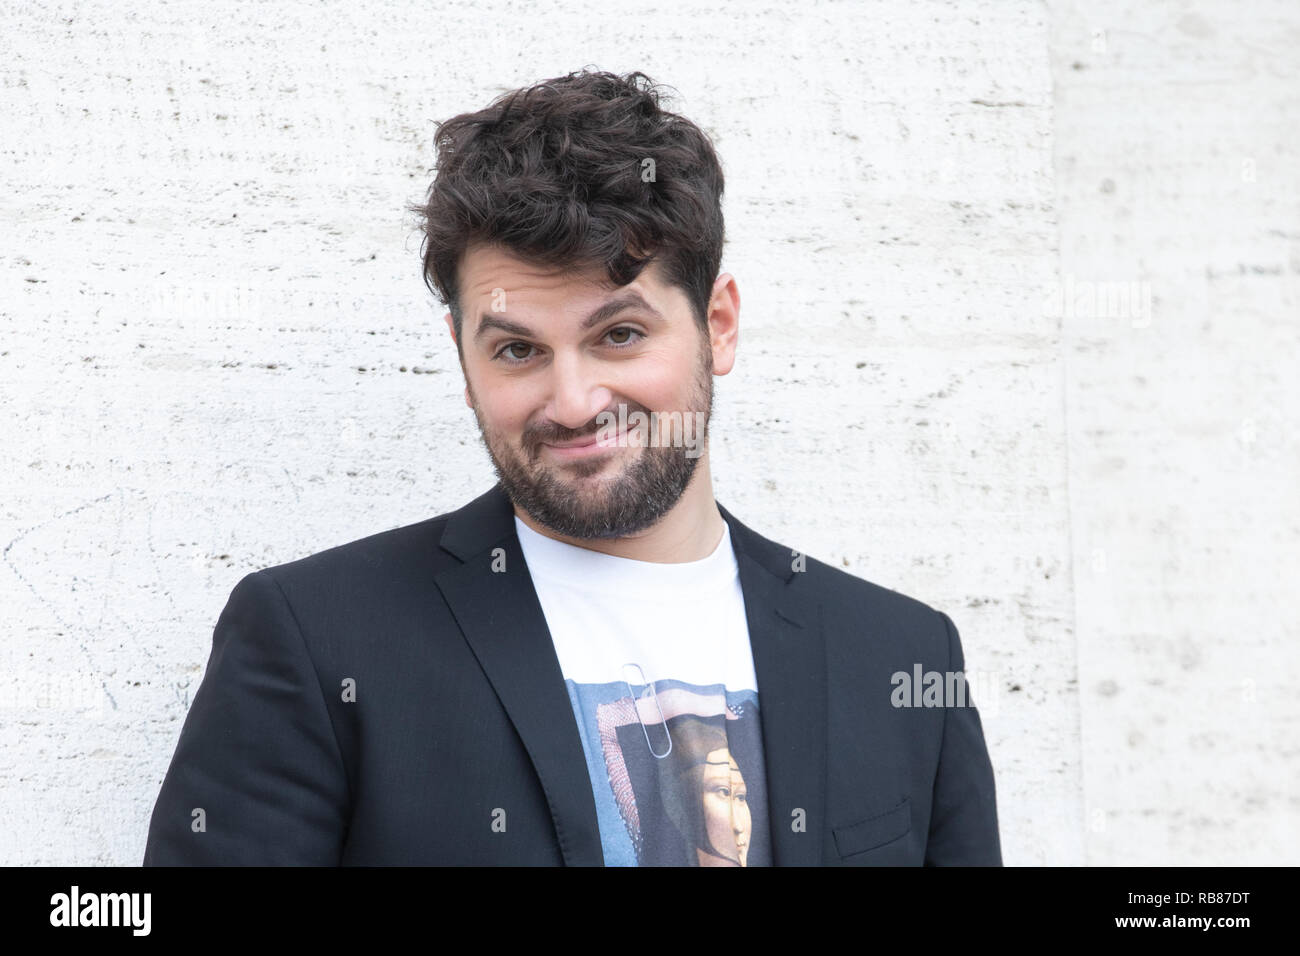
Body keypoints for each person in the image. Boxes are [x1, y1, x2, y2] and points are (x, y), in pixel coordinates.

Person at [143, 68, 1002, 866]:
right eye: (518, 349)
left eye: (619, 335)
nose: (574, 402)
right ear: (462, 355)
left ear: (720, 324)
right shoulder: (316, 640)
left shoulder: (900, 655)